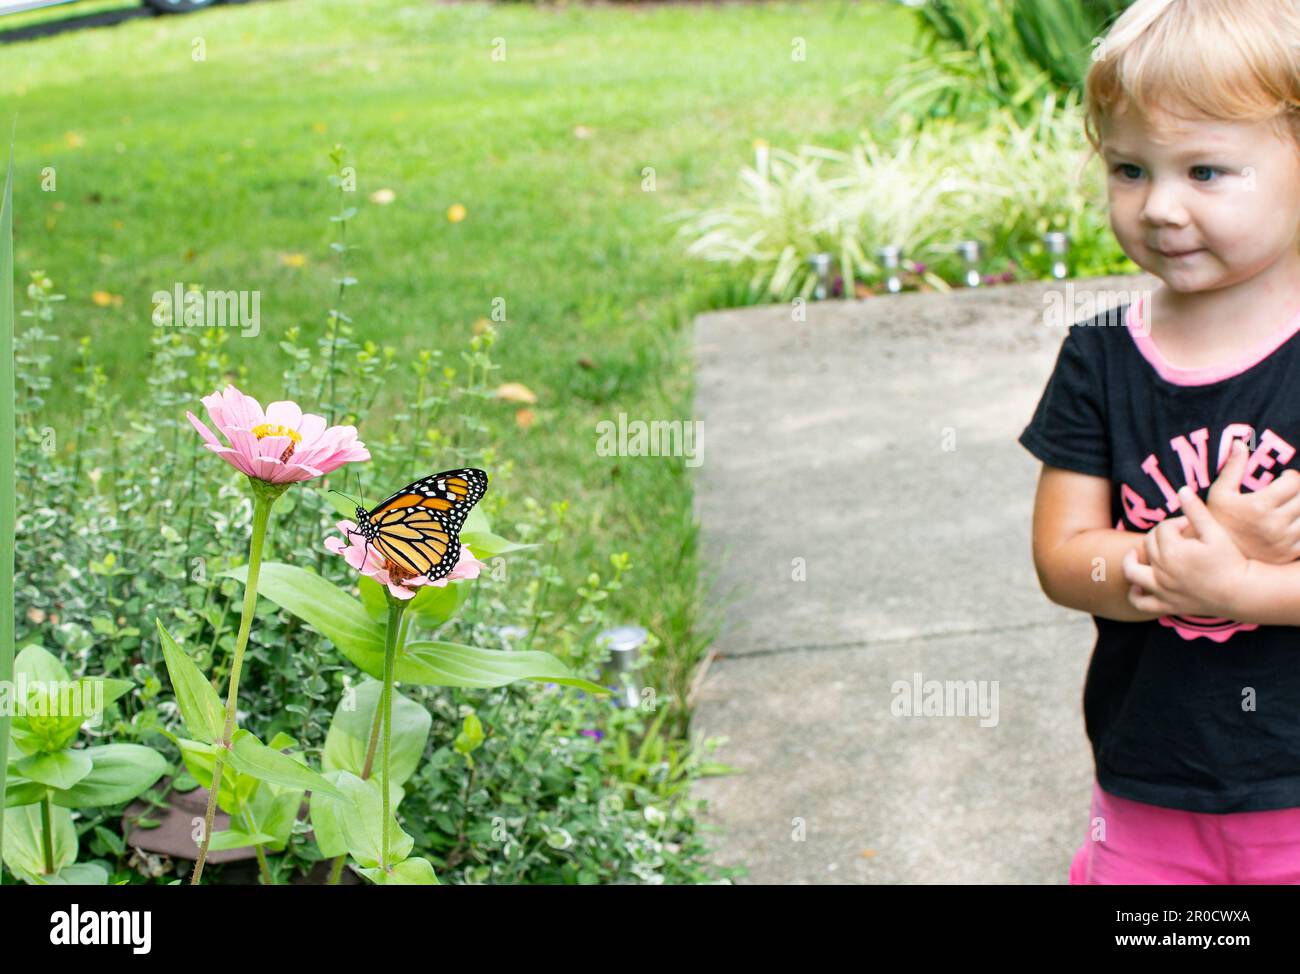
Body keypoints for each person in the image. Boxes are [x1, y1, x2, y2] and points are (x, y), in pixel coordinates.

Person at [1019, 0, 1300, 884]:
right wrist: (1171, 561)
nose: (1162, 208)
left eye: (1207, 170)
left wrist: (1243, 585)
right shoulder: (1099, 358)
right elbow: (1063, 561)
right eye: (1131, 169)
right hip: (1151, 784)